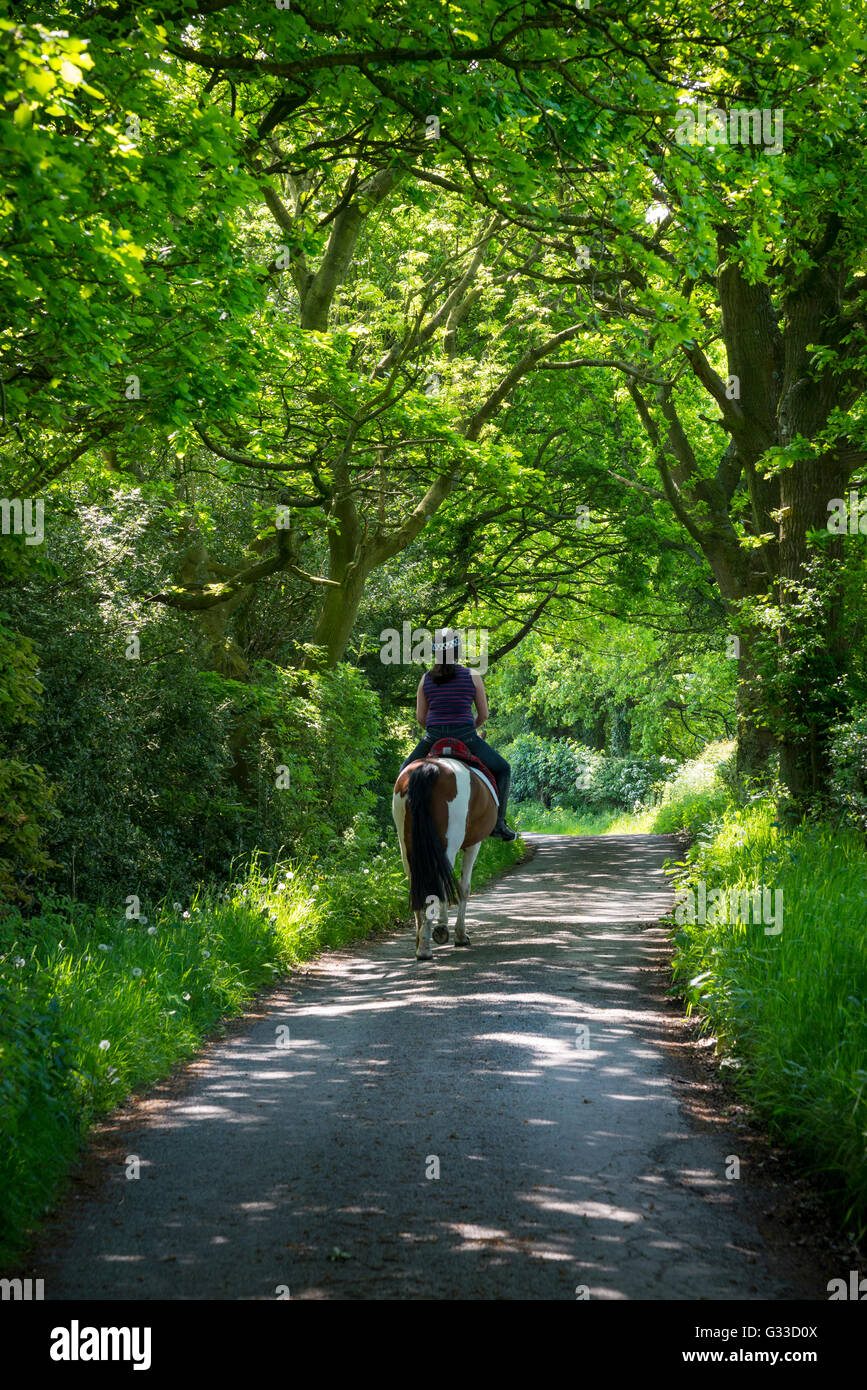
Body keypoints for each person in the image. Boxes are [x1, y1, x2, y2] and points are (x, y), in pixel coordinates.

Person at [399, 630, 517, 840]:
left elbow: (420, 718)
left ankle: (400, 820)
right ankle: (499, 824)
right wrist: (470, 729)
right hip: (466, 736)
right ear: (457, 651)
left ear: (434, 653)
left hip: (433, 737)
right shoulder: (472, 676)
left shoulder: (425, 678)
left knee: (403, 773)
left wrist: (436, 730)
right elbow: (483, 715)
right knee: (503, 769)